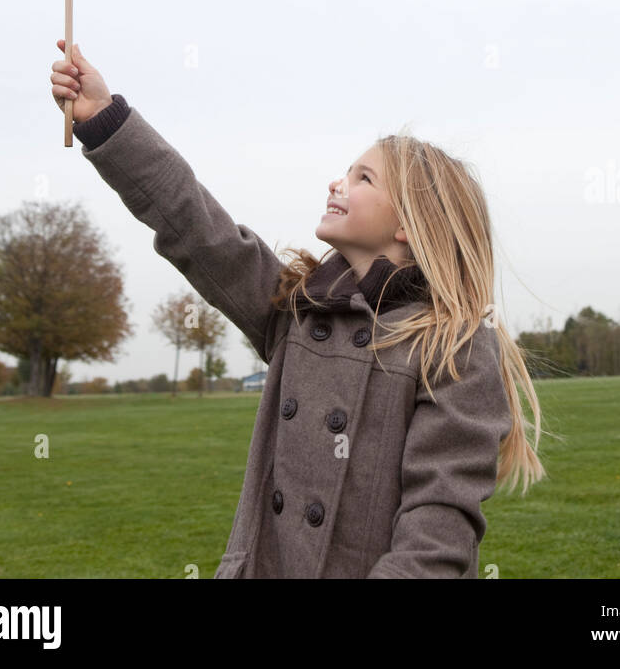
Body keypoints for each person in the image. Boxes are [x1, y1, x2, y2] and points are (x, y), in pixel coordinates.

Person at [51, 39, 548, 578]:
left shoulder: (455, 346)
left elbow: (438, 525)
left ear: (408, 225)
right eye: (347, 170)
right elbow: (201, 232)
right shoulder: (296, 311)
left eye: (364, 178)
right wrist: (104, 118)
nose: (339, 182)